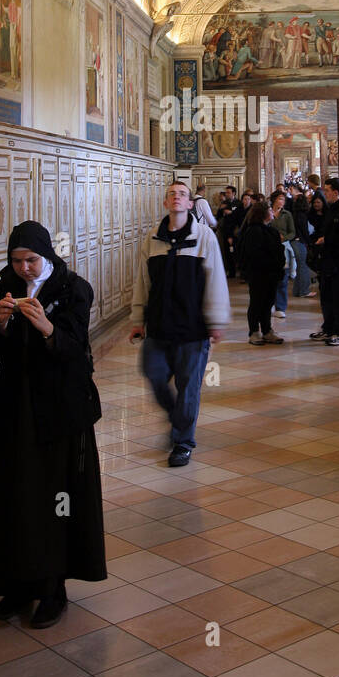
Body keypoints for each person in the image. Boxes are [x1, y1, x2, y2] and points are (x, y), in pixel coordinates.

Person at [0, 222, 106, 629]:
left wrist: (47, 328)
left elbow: (76, 348)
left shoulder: (73, 289)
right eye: (16, 261)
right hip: (16, 408)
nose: (24, 268)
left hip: (60, 410)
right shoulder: (3, 290)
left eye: (31, 260)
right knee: (14, 493)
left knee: (54, 497)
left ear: (46, 257)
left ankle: (52, 588)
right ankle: (16, 584)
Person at [130, 181, 230, 466]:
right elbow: (142, 282)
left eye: (182, 195)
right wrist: (138, 319)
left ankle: (183, 441)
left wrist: (216, 320)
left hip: (192, 328)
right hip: (159, 326)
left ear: (190, 204)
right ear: (165, 203)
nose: (177, 198)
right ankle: (178, 420)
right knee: (153, 372)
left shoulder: (204, 238)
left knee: (189, 388)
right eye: (172, 194)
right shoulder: (151, 239)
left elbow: (216, 281)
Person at [309, 177, 339, 346]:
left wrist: (326, 240)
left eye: (327, 190)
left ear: (335, 193)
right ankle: (328, 328)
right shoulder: (332, 209)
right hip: (328, 260)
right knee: (327, 296)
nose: (324, 193)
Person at [241, 202, 286, 345]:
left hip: (271, 274)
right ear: (262, 213)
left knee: (268, 303)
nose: (272, 211)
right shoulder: (254, 231)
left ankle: (267, 330)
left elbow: (278, 250)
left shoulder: (270, 229)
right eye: (269, 210)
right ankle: (254, 332)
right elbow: (254, 255)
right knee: (257, 302)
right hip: (259, 274)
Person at [270, 190, 296, 319]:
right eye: (280, 198)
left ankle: (280, 306)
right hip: (269, 248)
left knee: (282, 278)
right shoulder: (267, 213)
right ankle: (269, 303)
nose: (282, 201)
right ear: (274, 200)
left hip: (283, 248)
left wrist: (284, 238)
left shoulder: (287, 215)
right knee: (269, 277)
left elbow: (292, 232)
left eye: (284, 199)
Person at [291, 193, 313, 298]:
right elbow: (304, 231)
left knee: (300, 267)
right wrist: (309, 242)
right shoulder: (302, 215)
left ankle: (297, 291)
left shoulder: (294, 214)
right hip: (300, 241)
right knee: (303, 266)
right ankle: (304, 290)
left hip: (295, 241)